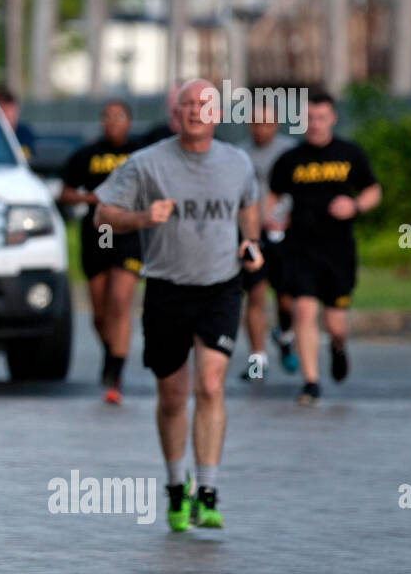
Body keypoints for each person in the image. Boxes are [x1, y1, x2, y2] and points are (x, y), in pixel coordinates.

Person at [94, 79, 263, 532]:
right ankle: (175, 486)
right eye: (186, 104)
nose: (195, 111)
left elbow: (249, 205)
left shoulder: (238, 162)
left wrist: (250, 242)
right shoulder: (147, 163)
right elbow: (102, 212)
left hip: (221, 287)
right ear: (175, 115)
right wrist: (142, 218)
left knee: (210, 385)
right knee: (173, 396)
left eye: (204, 104)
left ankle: (208, 490)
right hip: (167, 288)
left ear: (218, 114)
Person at [266, 90, 381, 406]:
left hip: (338, 250)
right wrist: (273, 219)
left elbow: (373, 190)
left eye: (320, 118)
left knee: (335, 323)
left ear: (332, 118)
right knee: (303, 310)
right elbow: (272, 198)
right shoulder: (289, 160)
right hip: (301, 249)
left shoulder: (349, 154)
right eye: (309, 118)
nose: (314, 124)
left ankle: (338, 346)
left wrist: (355, 205)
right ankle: (311, 382)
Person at [58, 99, 142, 404]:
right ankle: (110, 350)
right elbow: (65, 193)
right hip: (95, 235)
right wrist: (91, 198)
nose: (113, 122)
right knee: (99, 313)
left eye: (119, 117)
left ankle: (116, 372)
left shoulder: (138, 155)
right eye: (108, 117)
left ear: (129, 122)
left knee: (120, 302)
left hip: (128, 234)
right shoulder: (87, 155)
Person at [238, 104, 299, 380]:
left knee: (287, 302)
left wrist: (284, 217)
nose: (260, 128)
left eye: (266, 123)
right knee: (255, 297)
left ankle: (284, 336)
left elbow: (297, 192)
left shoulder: (290, 152)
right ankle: (257, 363)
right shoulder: (239, 155)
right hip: (252, 235)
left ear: (276, 124)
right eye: (255, 123)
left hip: (283, 235)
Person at [136, 81, 183, 147]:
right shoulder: (154, 135)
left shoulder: (197, 137)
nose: (174, 103)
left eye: (178, 99)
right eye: (171, 98)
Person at [0, 87, 35, 160]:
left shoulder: (25, 134)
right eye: (2, 111)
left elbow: (29, 159)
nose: (6, 115)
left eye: (9, 112)